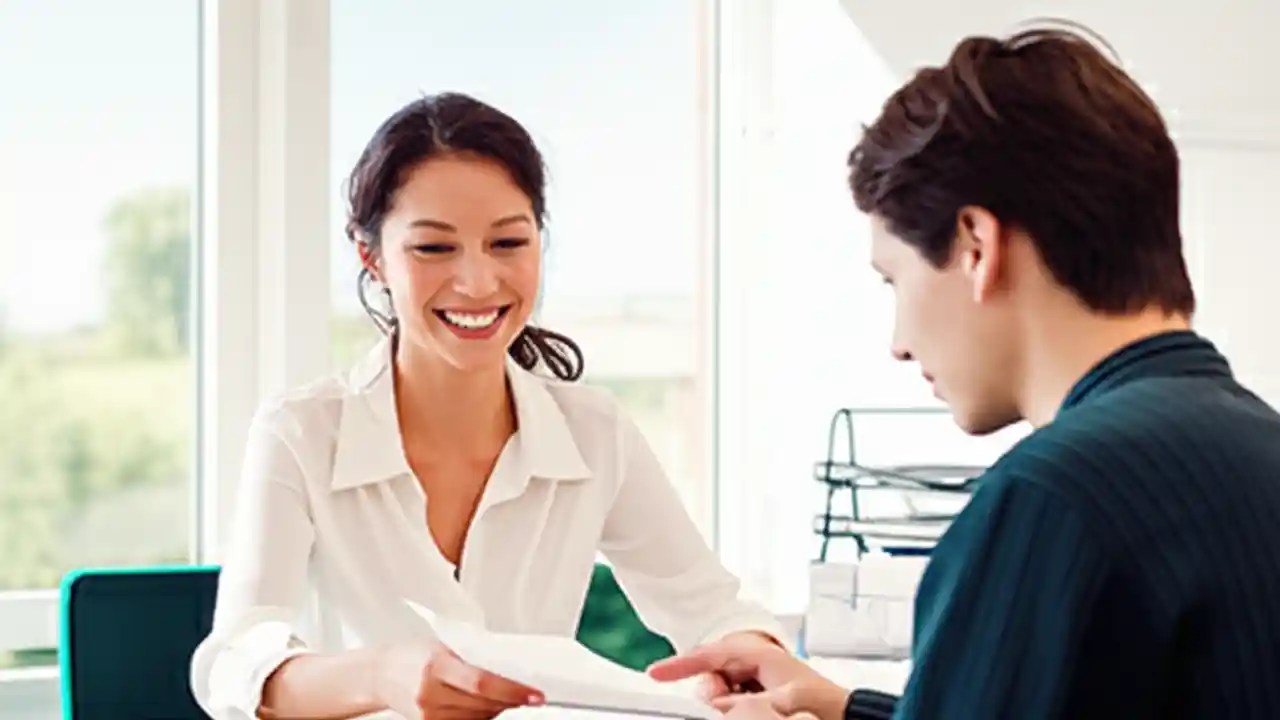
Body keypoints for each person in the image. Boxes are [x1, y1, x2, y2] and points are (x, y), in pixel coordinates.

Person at [649, 23, 1280, 720]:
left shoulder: (1056, 495)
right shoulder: (1254, 444)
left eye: (895, 281)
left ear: (977, 246)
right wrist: (837, 704)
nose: (898, 342)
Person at [190, 92, 784, 720]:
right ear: (372, 256)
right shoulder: (301, 433)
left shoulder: (593, 431)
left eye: (507, 243)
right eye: (433, 249)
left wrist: (747, 669)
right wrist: (382, 674)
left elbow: (712, 609)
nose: (477, 283)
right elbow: (234, 665)